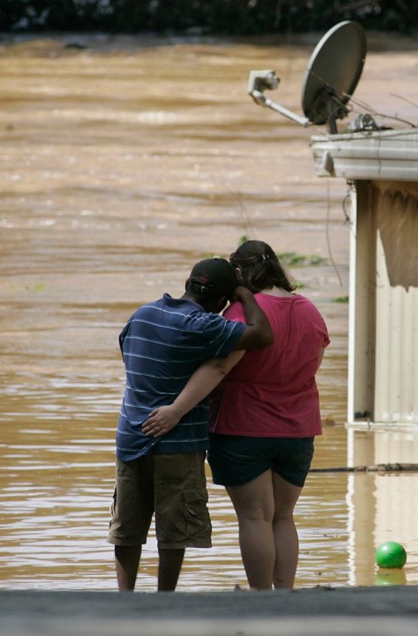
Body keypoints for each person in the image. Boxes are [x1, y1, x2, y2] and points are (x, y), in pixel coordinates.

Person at [143, 240, 330, 590]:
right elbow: (312, 368)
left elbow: (217, 368)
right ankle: (285, 595)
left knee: (255, 516)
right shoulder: (310, 311)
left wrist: (175, 411)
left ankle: (261, 599)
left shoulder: (243, 313)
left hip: (244, 428)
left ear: (240, 274)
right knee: (283, 517)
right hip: (299, 431)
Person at [109, 257, 273, 592]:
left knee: (128, 525)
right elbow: (262, 334)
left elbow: (127, 351)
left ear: (187, 283)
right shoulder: (202, 325)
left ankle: (123, 600)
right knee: (175, 528)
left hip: (130, 435)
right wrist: (244, 296)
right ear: (219, 302)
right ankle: (164, 600)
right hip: (178, 443)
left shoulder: (143, 314)